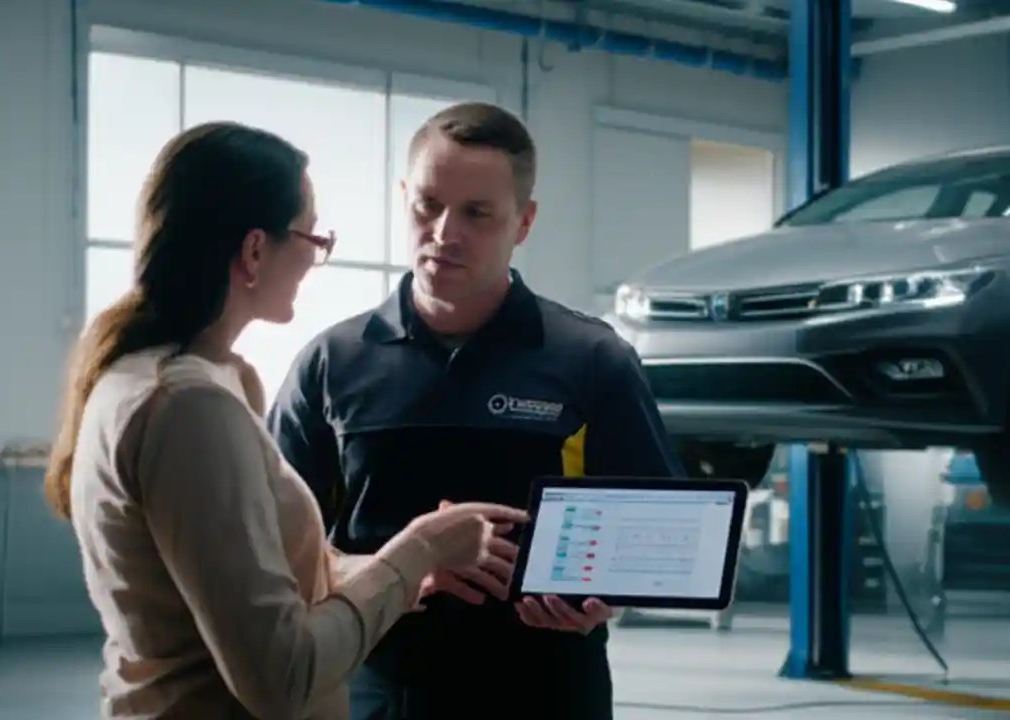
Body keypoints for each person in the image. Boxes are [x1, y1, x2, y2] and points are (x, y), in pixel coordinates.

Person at [43, 121, 528, 720]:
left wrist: (398, 570)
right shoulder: (188, 407)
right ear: (253, 251)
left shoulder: (183, 377)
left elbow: (271, 578)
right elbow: (282, 677)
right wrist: (417, 551)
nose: (316, 254)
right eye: (311, 235)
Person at [267, 101, 685, 719]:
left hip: (548, 690)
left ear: (524, 222)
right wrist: (403, 568)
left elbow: (654, 530)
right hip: (377, 694)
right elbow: (277, 548)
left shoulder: (593, 361)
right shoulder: (331, 363)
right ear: (403, 196)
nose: (444, 233)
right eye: (427, 206)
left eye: (477, 214)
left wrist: (606, 598)